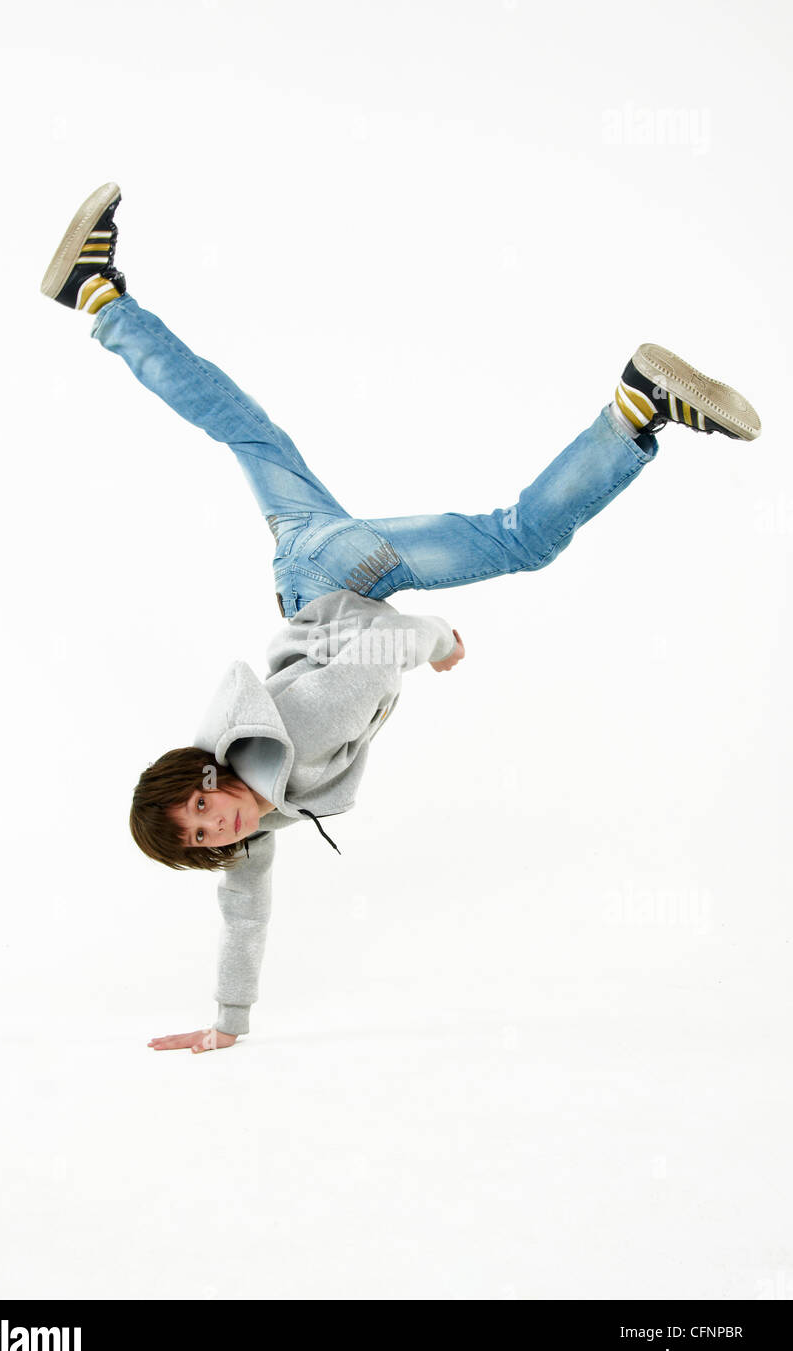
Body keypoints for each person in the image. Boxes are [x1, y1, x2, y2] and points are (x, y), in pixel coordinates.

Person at [40, 182, 762, 1055]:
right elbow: (245, 919)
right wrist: (228, 1025)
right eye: (203, 839)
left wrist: (441, 642)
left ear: (200, 775)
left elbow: (384, 651)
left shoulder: (294, 735)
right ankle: (97, 295)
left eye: (200, 808)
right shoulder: (259, 820)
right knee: (246, 431)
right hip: (309, 575)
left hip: (339, 581)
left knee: (518, 539)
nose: (217, 825)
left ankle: (636, 406)